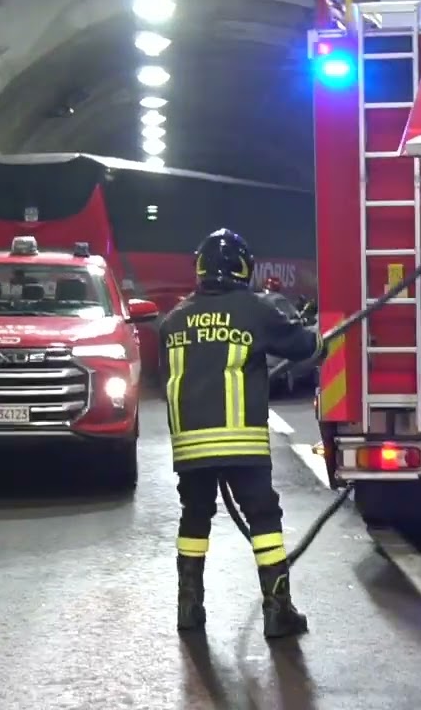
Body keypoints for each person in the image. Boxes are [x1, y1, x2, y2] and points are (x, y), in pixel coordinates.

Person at [160, 228, 322, 639]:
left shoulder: (172, 320)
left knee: (195, 516)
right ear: (244, 268)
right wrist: (322, 339)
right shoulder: (254, 309)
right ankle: (277, 610)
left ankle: (188, 608)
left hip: (189, 445)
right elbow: (304, 347)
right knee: (263, 517)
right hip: (240, 441)